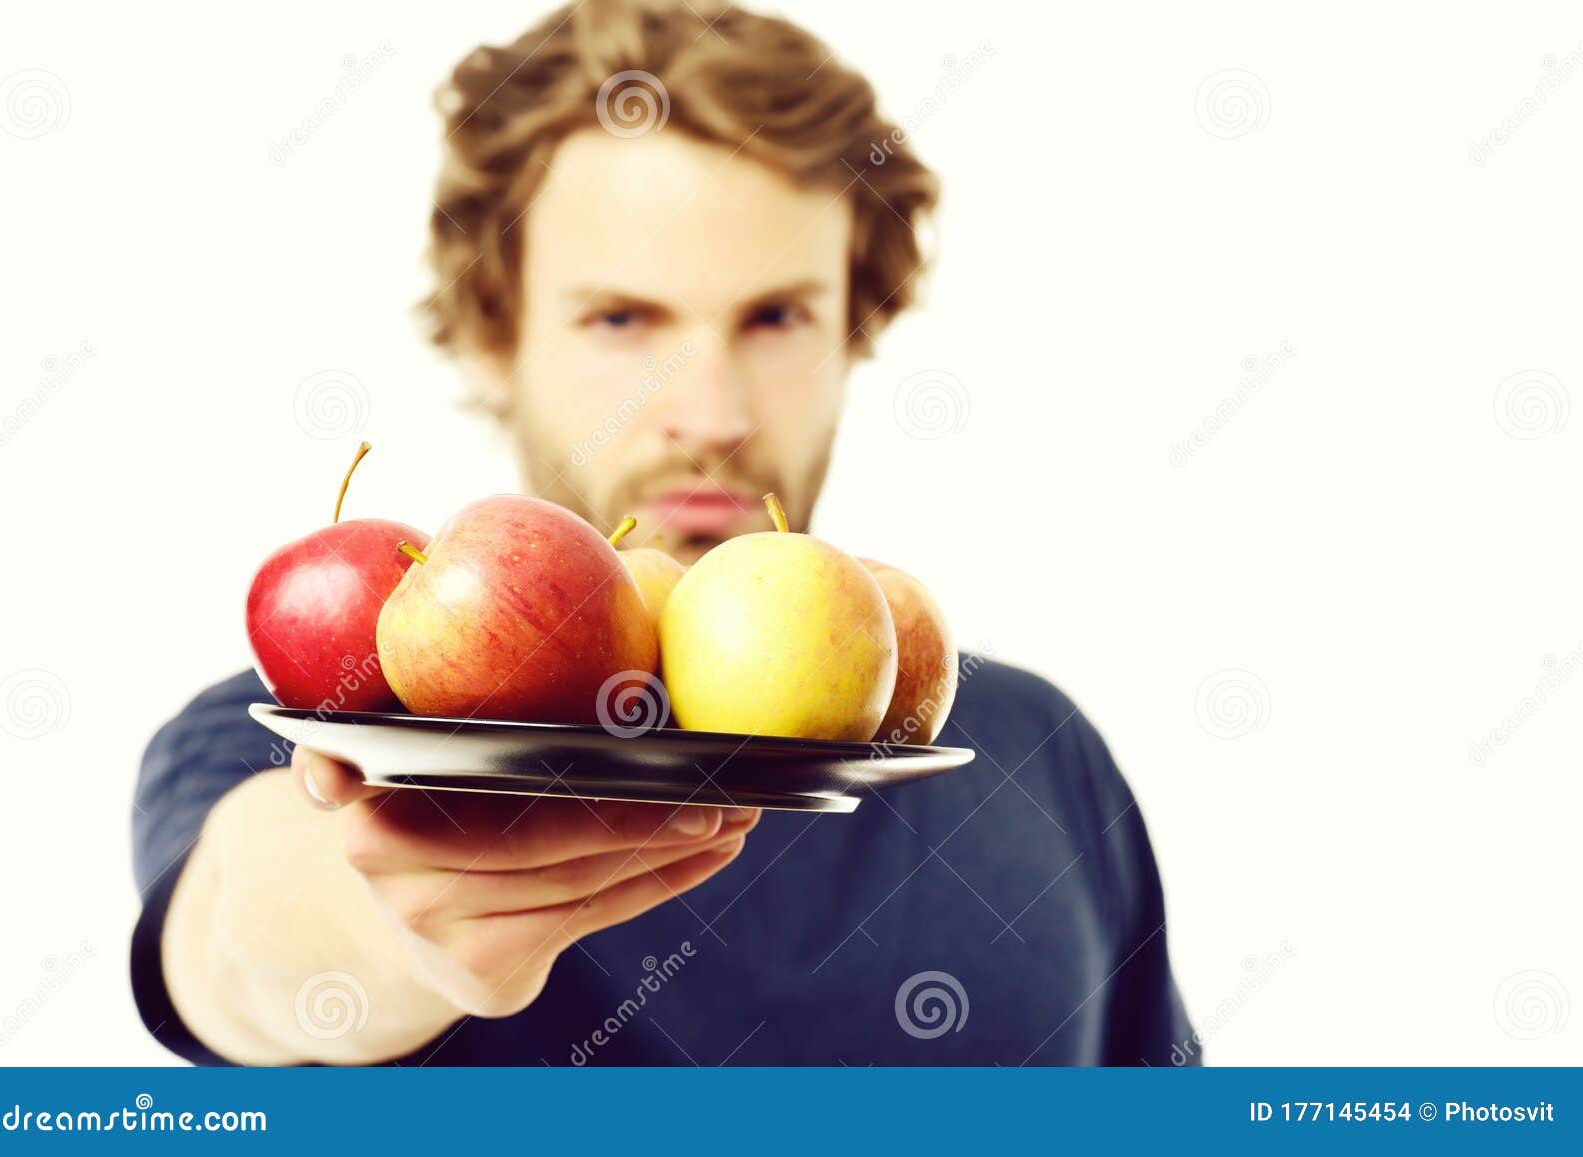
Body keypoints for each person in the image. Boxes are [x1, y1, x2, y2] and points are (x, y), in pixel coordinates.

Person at [131, 0, 1195, 1066]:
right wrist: (392, 931)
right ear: (493, 339)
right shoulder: (338, 726)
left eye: (776, 317)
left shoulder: (1035, 751)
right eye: (622, 320)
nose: (713, 414)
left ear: (853, 330)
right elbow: (242, 933)